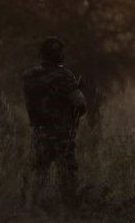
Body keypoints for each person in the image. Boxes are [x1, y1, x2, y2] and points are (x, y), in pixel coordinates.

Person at [22, 36, 87, 208]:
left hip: (39, 131)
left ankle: (29, 207)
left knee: (37, 171)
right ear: (58, 55)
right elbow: (80, 104)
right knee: (67, 172)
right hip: (61, 133)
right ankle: (69, 210)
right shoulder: (64, 75)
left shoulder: (29, 76)